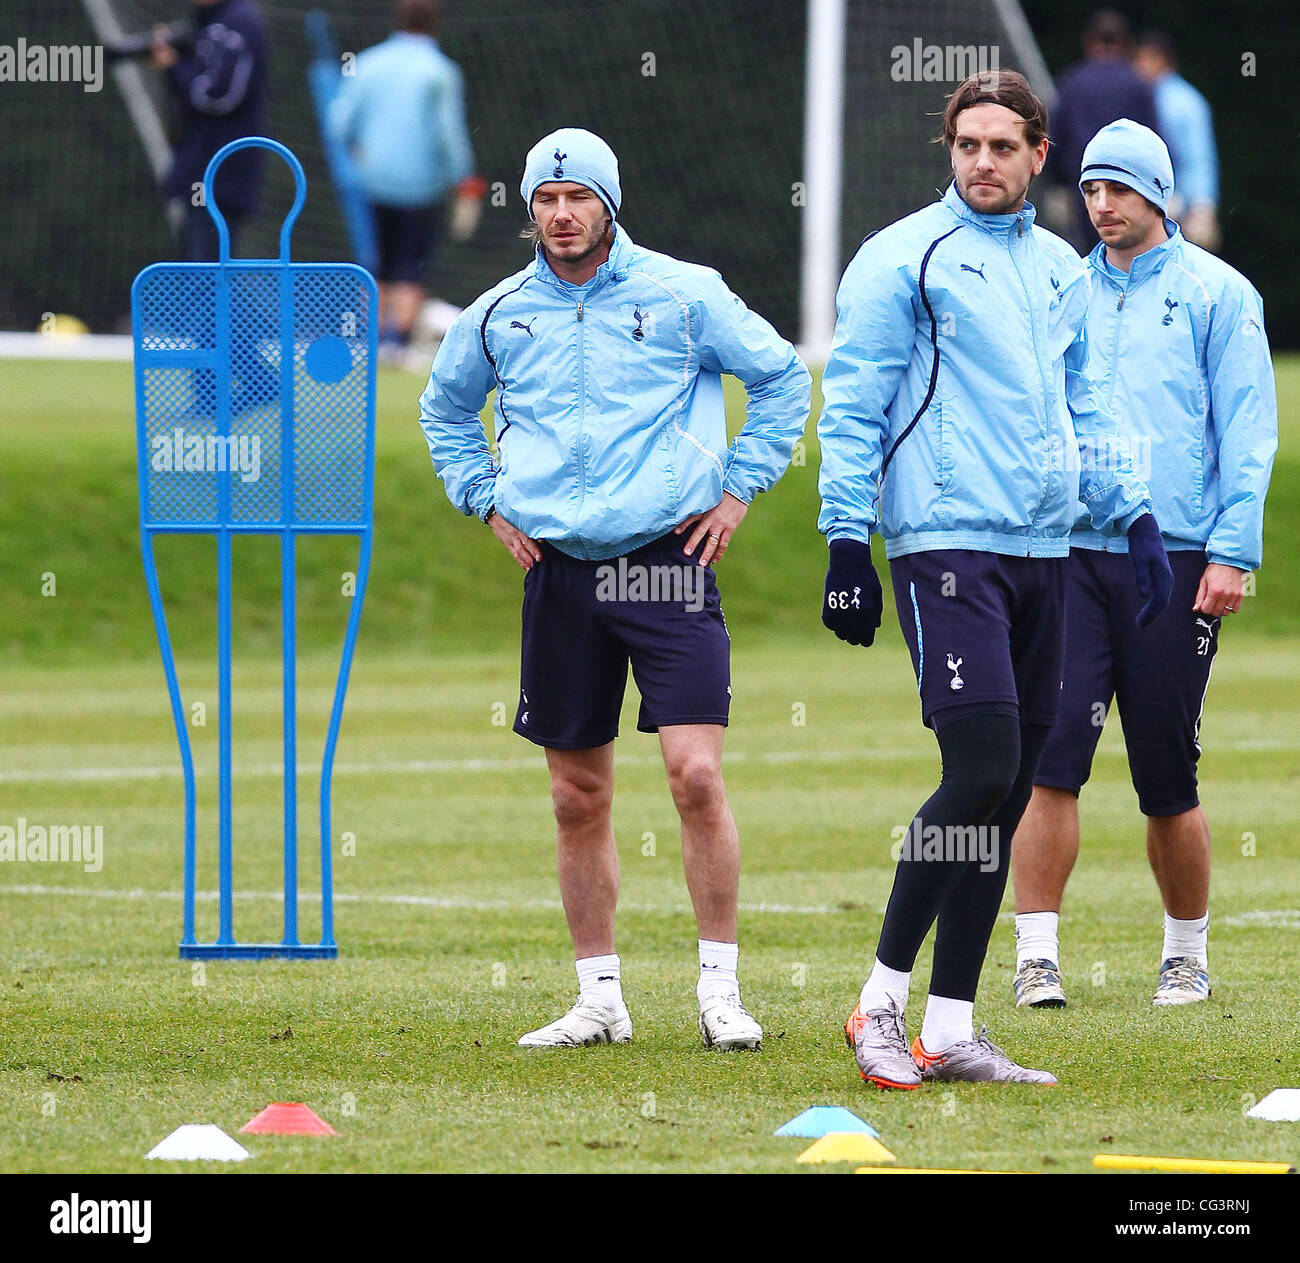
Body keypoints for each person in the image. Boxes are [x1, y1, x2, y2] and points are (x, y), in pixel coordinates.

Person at [418, 128, 810, 1050]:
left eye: (578, 198)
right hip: (558, 570)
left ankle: (720, 992)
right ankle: (599, 999)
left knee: (696, 775)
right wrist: (485, 498)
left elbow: (784, 376)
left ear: (610, 202)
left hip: (667, 561)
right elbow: (443, 408)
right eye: (545, 201)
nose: (561, 216)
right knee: (575, 796)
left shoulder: (684, 293)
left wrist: (740, 486)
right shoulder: (498, 312)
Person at [818, 71, 1169, 1089]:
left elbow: (1089, 402)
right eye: (965, 144)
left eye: (1001, 147)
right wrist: (846, 542)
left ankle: (952, 1028)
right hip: (942, 544)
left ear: (1036, 156)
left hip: (1044, 551)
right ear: (949, 149)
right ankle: (879, 1007)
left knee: (1009, 785)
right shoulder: (902, 258)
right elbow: (851, 406)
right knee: (976, 768)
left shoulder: (1064, 269)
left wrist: (1133, 516)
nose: (981, 162)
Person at [1010, 121, 1277, 1011]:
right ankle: (1037, 955)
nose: (1102, 205)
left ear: (1158, 193)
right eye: (1090, 189)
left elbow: (1247, 431)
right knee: (1051, 757)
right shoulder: (1060, 289)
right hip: (1068, 552)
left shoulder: (1219, 293)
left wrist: (1233, 551)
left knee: (1166, 770)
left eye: (1120, 188)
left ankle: (1185, 954)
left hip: (1179, 554)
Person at [329, 0, 482, 356]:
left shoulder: (367, 63)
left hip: (371, 182)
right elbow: (450, 135)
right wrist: (465, 183)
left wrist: (359, 152)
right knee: (411, 264)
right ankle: (396, 343)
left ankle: (374, 342)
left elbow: (339, 123)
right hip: (422, 187)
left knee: (376, 261)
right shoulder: (440, 71)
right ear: (436, 23)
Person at [152, 0, 268, 261]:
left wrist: (173, 68)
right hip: (199, 171)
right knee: (192, 273)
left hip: (221, 176)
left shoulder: (238, 23)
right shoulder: (210, 21)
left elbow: (219, 95)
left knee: (208, 278)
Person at [1044, 10, 1159, 251]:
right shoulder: (1138, 85)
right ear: (1125, 43)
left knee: (1088, 255)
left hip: (1085, 188)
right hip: (1132, 189)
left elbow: (1056, 136)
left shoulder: (1072, 82)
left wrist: (1055, 183)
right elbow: (1154, 142)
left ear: (1090, 41)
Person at [1135, 32, 1221, 252]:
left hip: (1180, 203)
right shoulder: (1146, 95)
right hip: (1157, 199)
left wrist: (1202, 205)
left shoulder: (1183, 101)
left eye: (1144, 59)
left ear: (1161, 60)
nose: (1138, 66)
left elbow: (1198, 155)